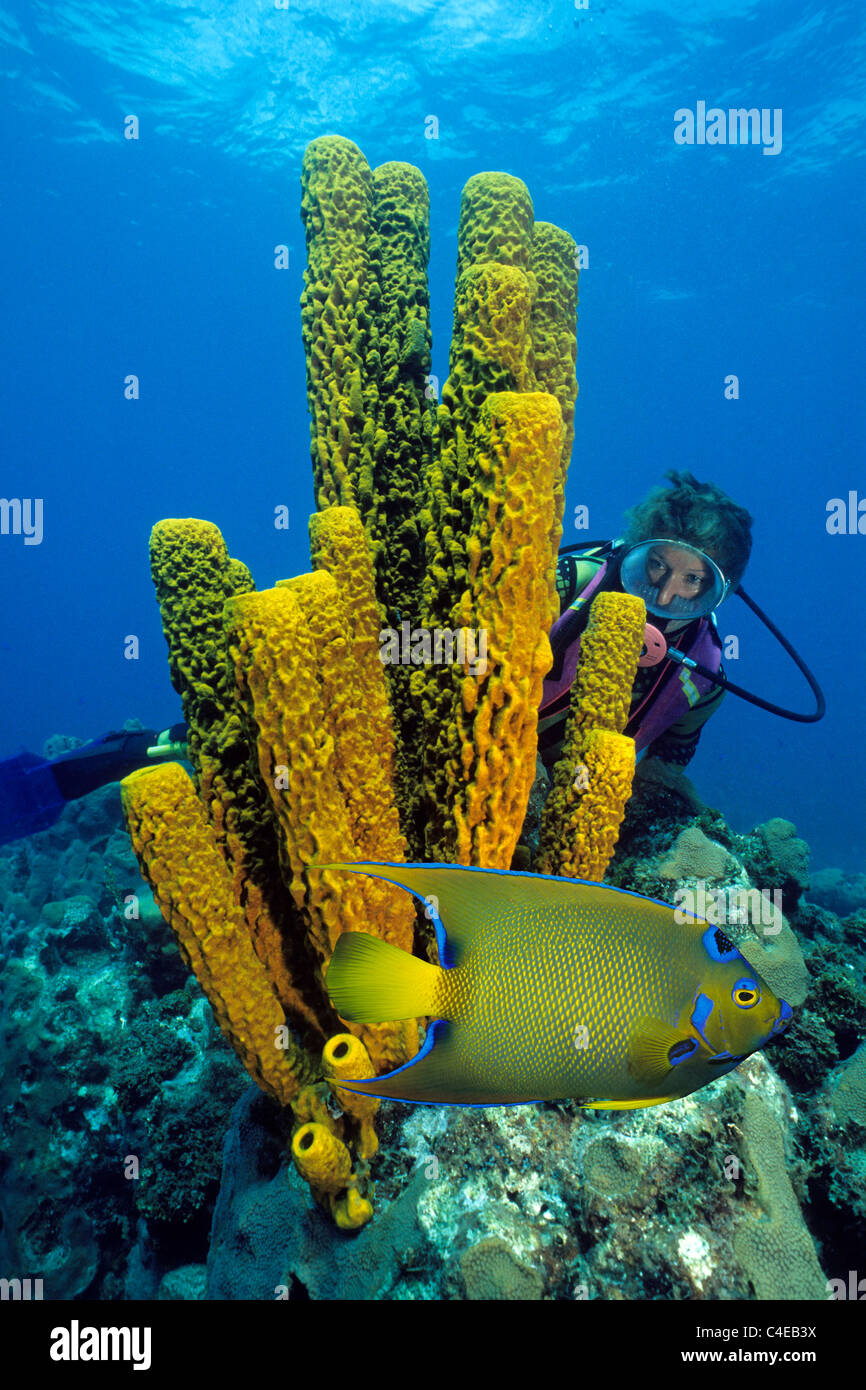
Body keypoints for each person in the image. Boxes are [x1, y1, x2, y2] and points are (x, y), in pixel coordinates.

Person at [539, 471, 753, 771]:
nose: (664, 597)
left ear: (717, 591)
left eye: (692, 579)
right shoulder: (571, 582)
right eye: (657, 565)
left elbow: (666, 767)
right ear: (639, 552)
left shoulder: (705, 679)